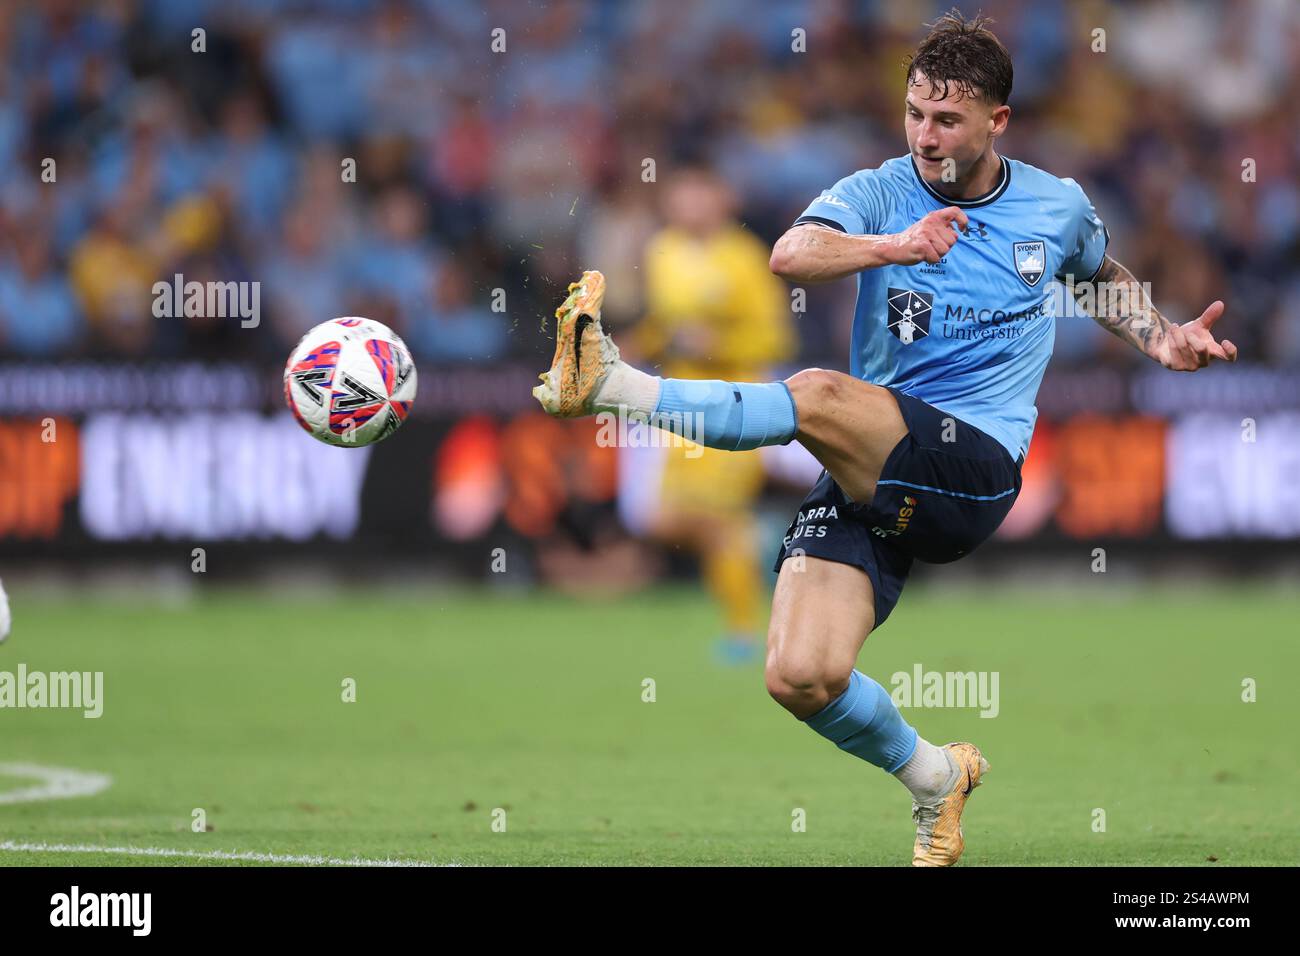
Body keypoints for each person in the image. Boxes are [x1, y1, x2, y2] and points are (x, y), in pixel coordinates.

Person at [532, 11, 1236, 866]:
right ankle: (937, 779)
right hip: (879, 464)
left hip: (975, 466)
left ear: (997, 122)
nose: (926, 135)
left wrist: (1160, 336)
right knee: (798, 674)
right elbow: (791, 255)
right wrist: (894, 247)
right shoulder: (879, 190)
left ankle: (607, 383)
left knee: (822, 393)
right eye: (913, 114)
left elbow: (1099, 276)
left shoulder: (1057, 207)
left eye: (947, 120)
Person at [628, 164, 794, 663]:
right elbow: (665, 324)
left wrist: (716, 343)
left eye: (700, 193)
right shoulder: (662, 252)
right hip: (679, 407)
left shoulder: (745, 259)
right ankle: (764, 536)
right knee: (665, 519)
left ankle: (743, 633)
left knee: (717, 519)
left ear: (723, 199)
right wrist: (628, 348)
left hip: (738, 401)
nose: (689, 204)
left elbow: (776, 339)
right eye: (681, 194)